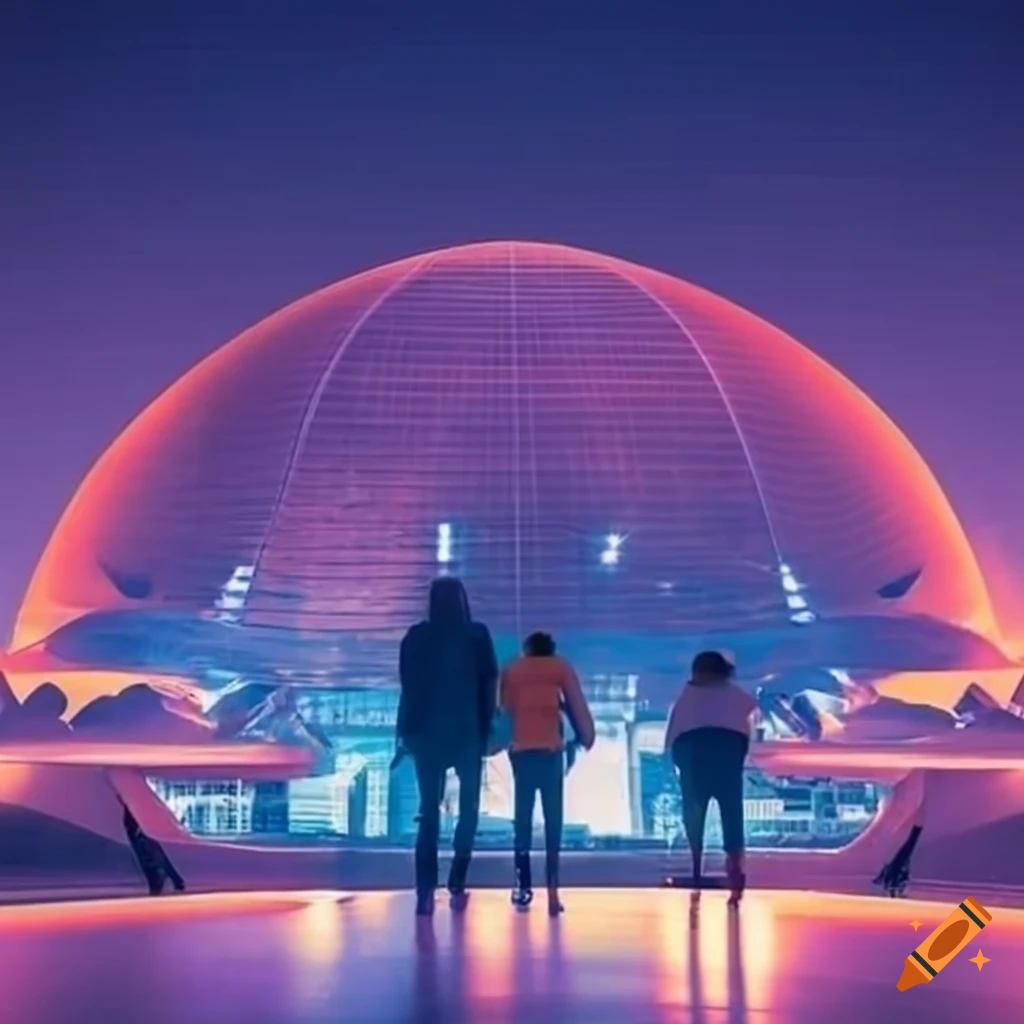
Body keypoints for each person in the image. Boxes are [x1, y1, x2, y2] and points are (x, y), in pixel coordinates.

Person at [397, 576, 498, 916]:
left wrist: (404, 734)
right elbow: (488, 683)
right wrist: (487, 726)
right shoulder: (477, 636)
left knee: (428, 811)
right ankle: (457, 879)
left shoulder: (416, 638)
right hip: (467, 731)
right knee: (468, 808)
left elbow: (407, 688)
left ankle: (425, 888)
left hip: (426, 734)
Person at [499, 631, 595, 915]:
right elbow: (577, 705)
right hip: (552, 750)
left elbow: (504, 709)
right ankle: (553, 887)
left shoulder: (513, 669)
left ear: (527, 649)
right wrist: (586, 737)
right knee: (554, 819)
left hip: (521, 751)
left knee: (523, 817)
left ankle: (522, 884)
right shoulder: (560, 667)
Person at [665, 650, 757, 906]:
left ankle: (697, 866)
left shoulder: (687, 697)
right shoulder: (736, 696)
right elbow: (748, 724)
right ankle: (735, 872)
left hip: (694, 757)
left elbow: (673, 737)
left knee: (694, 813)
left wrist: (676, 764)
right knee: (731, 814)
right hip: (727, 756)